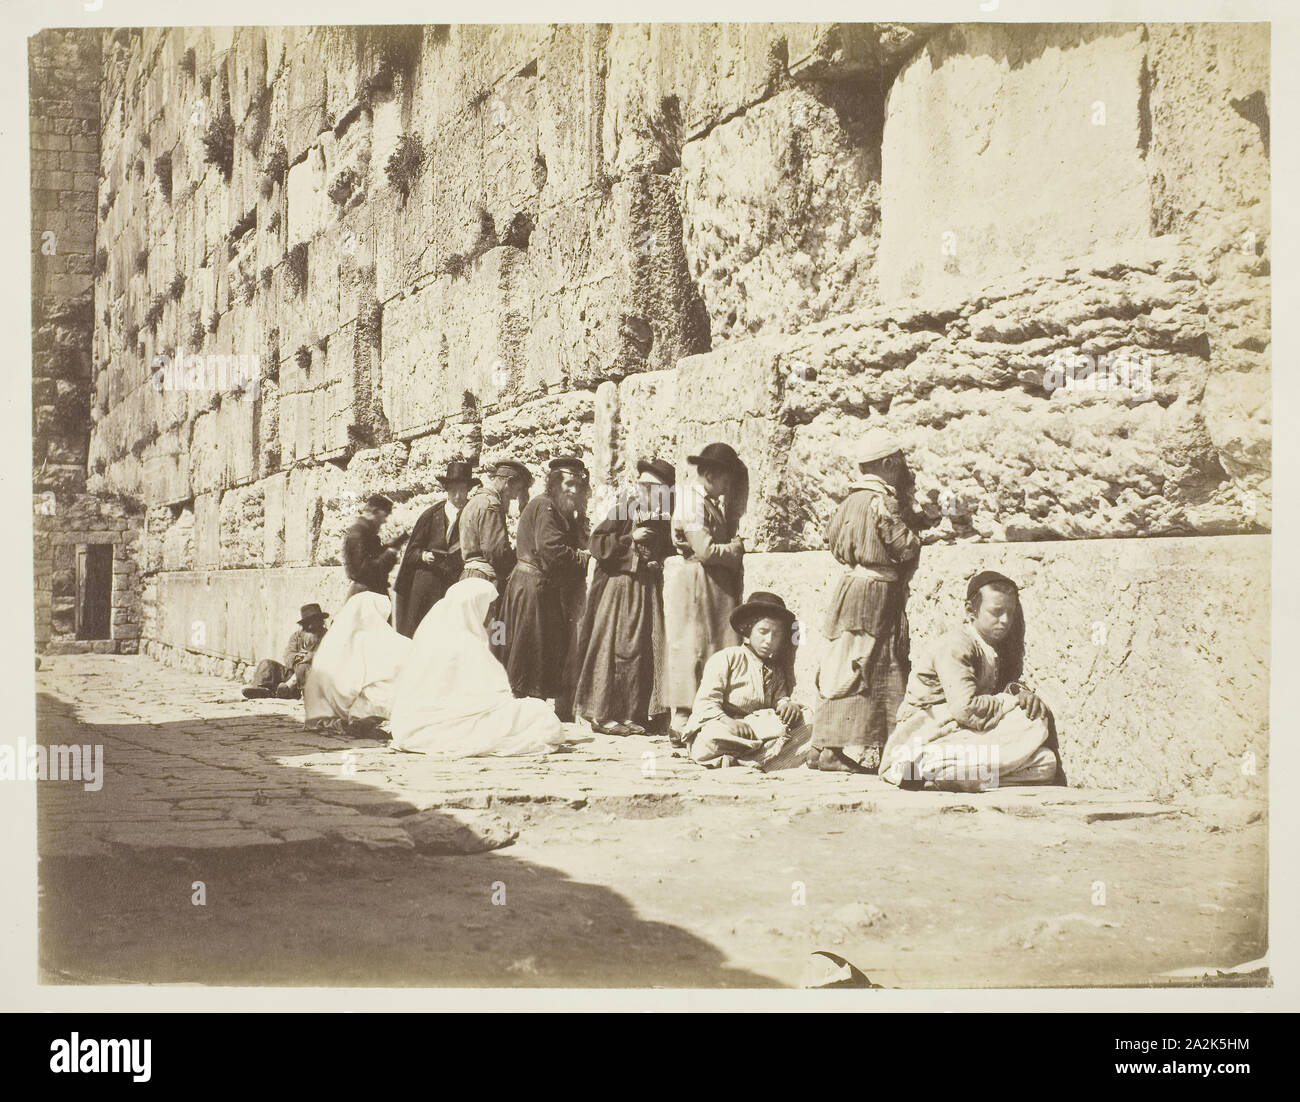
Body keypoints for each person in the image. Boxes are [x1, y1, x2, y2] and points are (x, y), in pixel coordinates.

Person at [879, 571, 1064, 792]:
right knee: (1032, 720)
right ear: (970, 611)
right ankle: (927, 765)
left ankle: (952, 776)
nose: (1005, 621)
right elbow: (965, 708)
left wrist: (1018, 692)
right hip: (925, 734)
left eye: (1011, 613)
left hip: (962, 735)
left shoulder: (990, 647)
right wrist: (1011, 702)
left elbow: (994, 693)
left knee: (1046, 763)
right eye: (996, 612)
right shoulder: (956, 644)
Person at [810, 433, 921, 773]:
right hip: (875, 592)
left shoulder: (847, 502)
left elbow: (830, 538)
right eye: (899, 465)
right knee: (866, 663)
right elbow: (904, 547)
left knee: (845, 662)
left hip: (850, 586)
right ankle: (833, 751)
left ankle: (824, 745)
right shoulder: (881, 502)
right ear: (887, 464)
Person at [390, 578, 568, 757]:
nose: (492, 615)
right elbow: (490, 698)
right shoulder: (467, 643)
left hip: (414, 721)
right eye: (490, 608)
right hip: (458, 717)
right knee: (541, 716)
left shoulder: (434, 634)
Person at [573, 458, 676, 736]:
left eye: (653, 488)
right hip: (617, 588)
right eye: (643, 486)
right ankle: (601, 714)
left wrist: (656, 562)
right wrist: (631, 539)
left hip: (643, 589)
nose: (645, 492)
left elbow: (665, 549)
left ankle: (630, 713)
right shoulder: (625, 508)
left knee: (637, 651)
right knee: (609, 648)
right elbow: (598, 543)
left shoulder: (663, 517)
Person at [663, 442, 747, 741]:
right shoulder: (691, 501)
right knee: (692, 647)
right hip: (698, 582)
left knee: (711, 645)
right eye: (724, 479)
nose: (727, 487)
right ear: (710, 474)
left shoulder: (706, 501)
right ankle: (682, 718)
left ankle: (705, 714)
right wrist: (735, 549)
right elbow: (706, 550)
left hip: (712, 583)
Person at [498, 457, 591, 716]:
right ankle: (523, 717)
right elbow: (552, 551)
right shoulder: (546, 506)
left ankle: (525, 714)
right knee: (528, 656)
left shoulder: (555, 508)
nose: (573, 490)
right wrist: (584, 558)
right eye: (568, 484)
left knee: (529, 655)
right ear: (554, 484)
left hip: (533, 586)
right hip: (533, 588)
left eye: (577, 485)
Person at [684, 592, 810, 770]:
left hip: (758, 727)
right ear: (748, 630)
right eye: (763, 632)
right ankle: (765, 757)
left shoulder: (776, 669)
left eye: (776, 635)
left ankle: (744, 759)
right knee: (709, 739)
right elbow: (706, 702)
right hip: (727, 728)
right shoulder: (726, 658)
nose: (769, 641)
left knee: (808, 719)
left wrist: (786, 705)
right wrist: (729, 722)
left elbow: (779, 699)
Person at [303, 590, 411, 734]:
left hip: (351, 704)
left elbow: (346, 685)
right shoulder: (402, 642)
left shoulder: (344, 642)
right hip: (401, 702)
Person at [393, 460, 479, 637]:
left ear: (468, 490)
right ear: (446, 490)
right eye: (453, 491)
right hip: (428, 583)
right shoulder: (431, 515)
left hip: (453, 583)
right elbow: (411, 552)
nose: (458, 496)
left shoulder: (473, 513)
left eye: (462, 490)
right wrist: (423, 555)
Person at [459, 459, 532, 587]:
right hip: (484, 579)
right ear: (509, 482)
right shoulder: (491, 504)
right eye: (517, 490)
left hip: (470, 576)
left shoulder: (475, 501)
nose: (515, 497)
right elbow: (496, 553)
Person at [243, 604, 329, 699]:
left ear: (320, 621)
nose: (311, 626)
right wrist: (300, 658)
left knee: (304, 667)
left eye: (314, 621)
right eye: (307, 623)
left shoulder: (328, 636)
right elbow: (288, 656)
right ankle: (262, 690)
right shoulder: (296, 636)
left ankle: (287, 690)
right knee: (266, 664)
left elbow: (329, 657)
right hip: (291, 673)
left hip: (310, 677)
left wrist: (311, 656)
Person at [342, 493, 407, 600]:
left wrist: (388, 547)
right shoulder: (358, 534)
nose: (385, 521)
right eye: (385, 516)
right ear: (375, 512)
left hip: (369, 593)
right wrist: (390, 552)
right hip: (365, 595)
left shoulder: (366, 533)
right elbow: (364, 571)